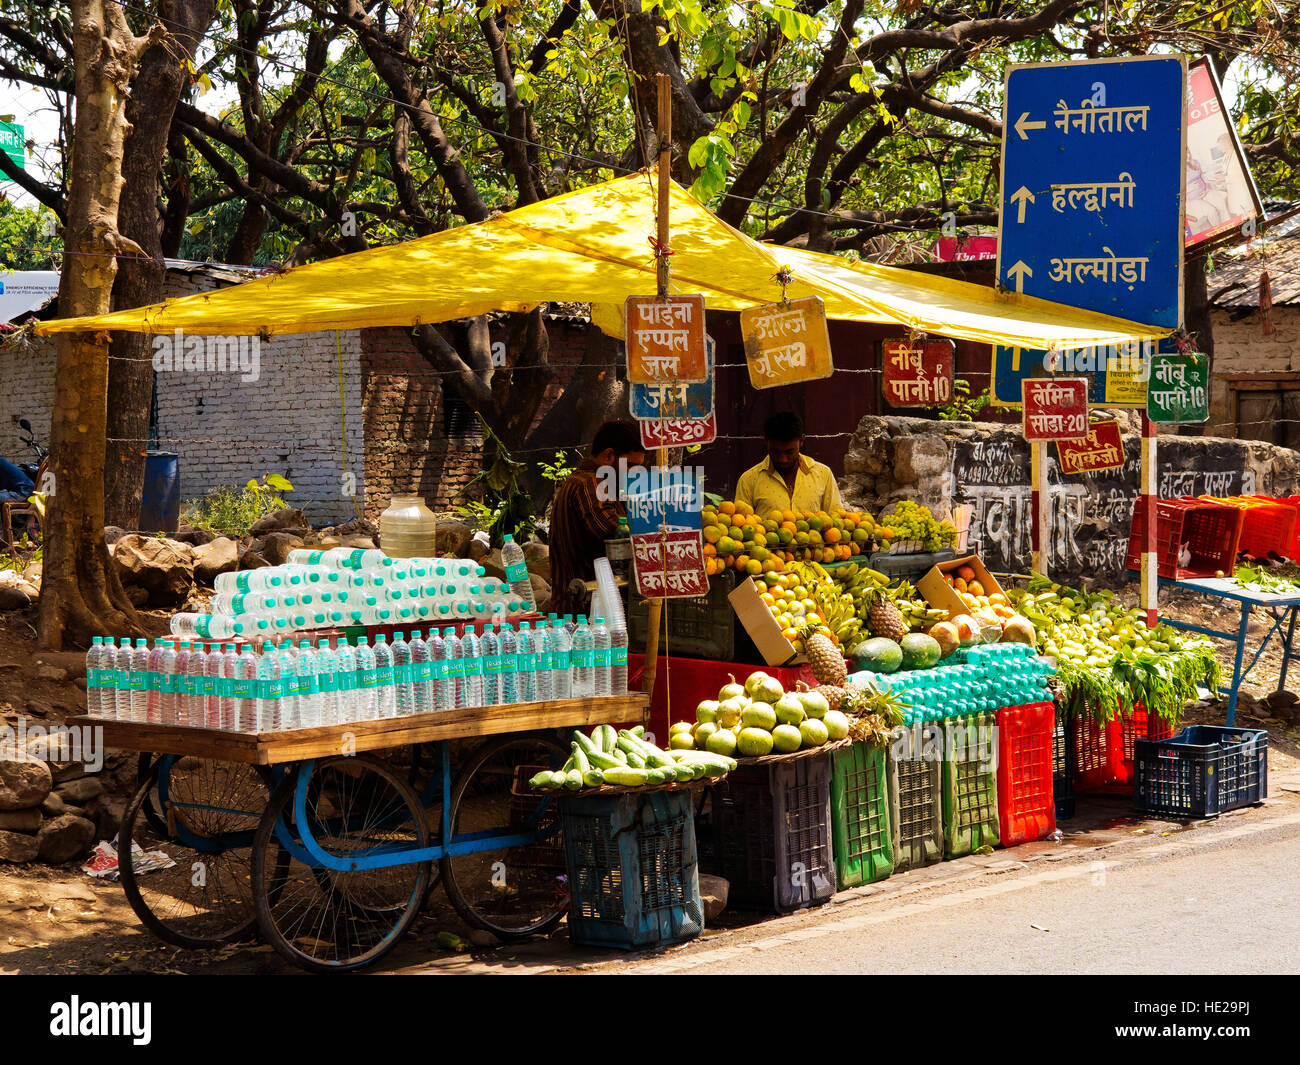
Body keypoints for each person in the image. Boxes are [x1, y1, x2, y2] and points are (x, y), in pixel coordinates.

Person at [549, 419, 646, 615]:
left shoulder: (591, 483)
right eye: (631, 466)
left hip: (590, 611)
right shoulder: (589, 485)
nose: (635, 474)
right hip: (582, 613)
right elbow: (614, 532)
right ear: (609, 455)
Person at [735, 411, 841, 516]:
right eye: (776, 451)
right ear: (766, 442)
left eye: (789, 452)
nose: (783, 459)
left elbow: (836, 519)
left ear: (802, 441)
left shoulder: (823, 474)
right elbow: (741, 524)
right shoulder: (748, 480)